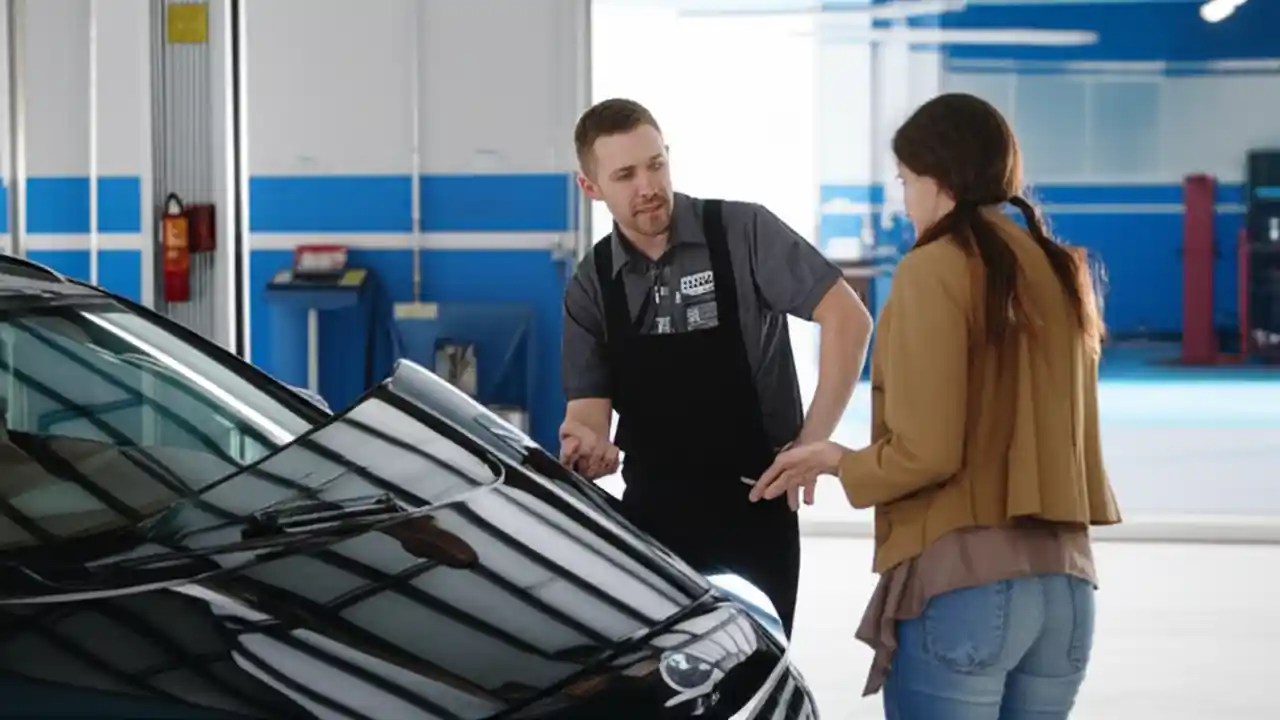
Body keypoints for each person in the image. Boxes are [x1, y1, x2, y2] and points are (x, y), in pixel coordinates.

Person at [750, 92, 1123, 718]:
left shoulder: (935, 269)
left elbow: (928, 451)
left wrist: (839, 460)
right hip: (1066, 591)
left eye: (906, 181)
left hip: (969, 588)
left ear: (940, 180)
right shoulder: (1059, 270)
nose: (906, 200)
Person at [559, 97, 873, 638]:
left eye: (656, 164)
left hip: (756, 510)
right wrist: (586, 446)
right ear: (591, 188)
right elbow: (588, 413)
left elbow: (849, 319)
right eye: (626, 175)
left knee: (752, 680)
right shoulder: (593, 282)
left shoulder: (742, 232)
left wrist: (810, 444)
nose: (648, 186)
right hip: (652, 523)